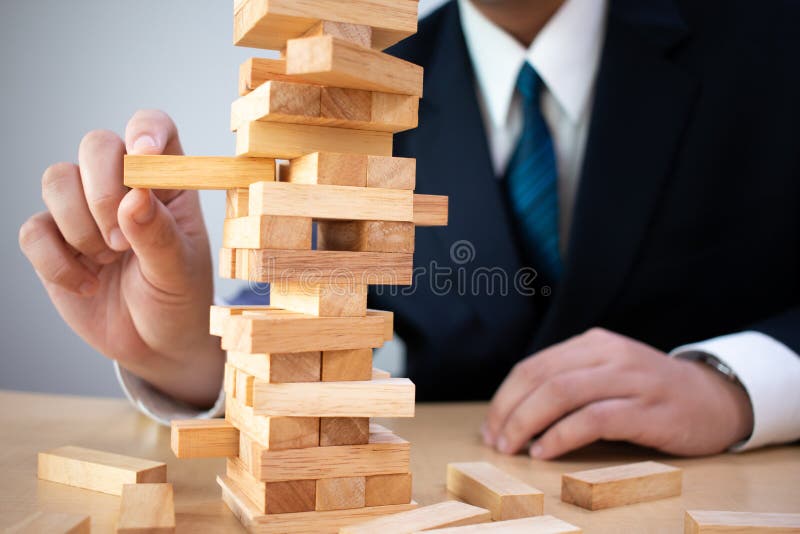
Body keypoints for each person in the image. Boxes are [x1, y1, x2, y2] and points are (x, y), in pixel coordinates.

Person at [19, 0, 800, 458]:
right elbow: (299, 304)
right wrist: (193, 353)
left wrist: (736, 386)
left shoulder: (773, 35)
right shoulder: (352, 84)